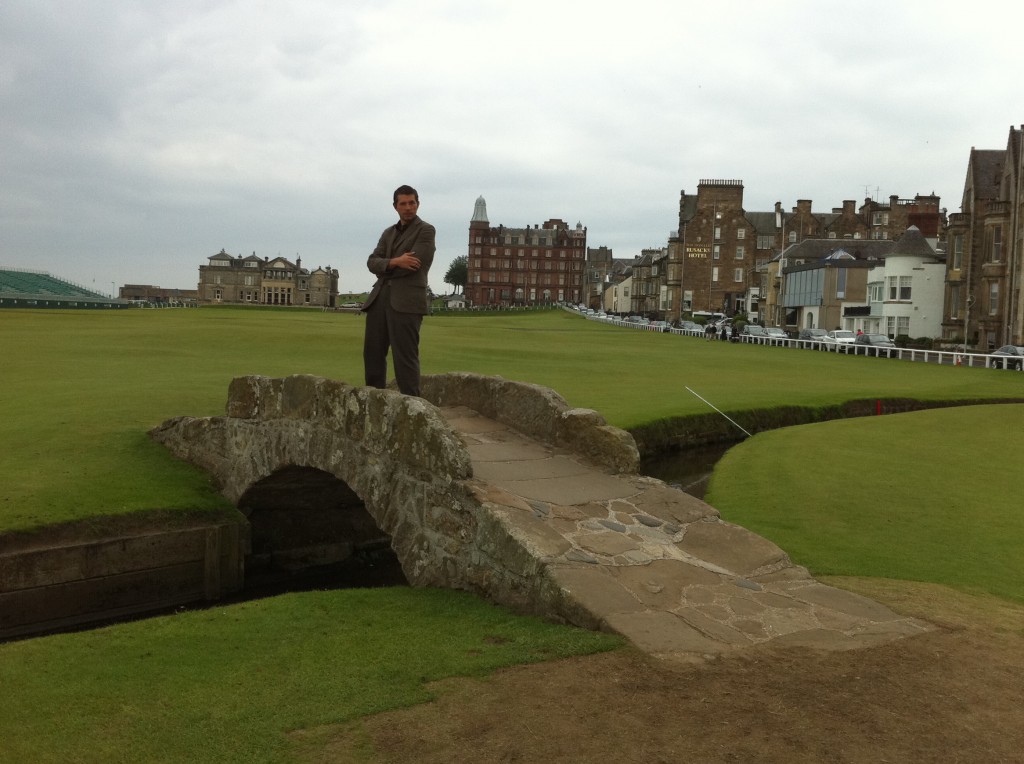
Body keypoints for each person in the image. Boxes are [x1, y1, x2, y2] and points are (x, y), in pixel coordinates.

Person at [361, 185, 435, 397]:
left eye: (412, 203)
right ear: (395, 207)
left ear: (418, 204)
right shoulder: (388, 233)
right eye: (403, 203)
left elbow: (416, 263)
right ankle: (374, 403)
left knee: (405, 358)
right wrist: (396, 261)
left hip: (407, 301)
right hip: (379, 299)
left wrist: (386, 267)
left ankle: (413, 406)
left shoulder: (426, 230)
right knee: (373, 354)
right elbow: (371, 262)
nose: (408, 208)